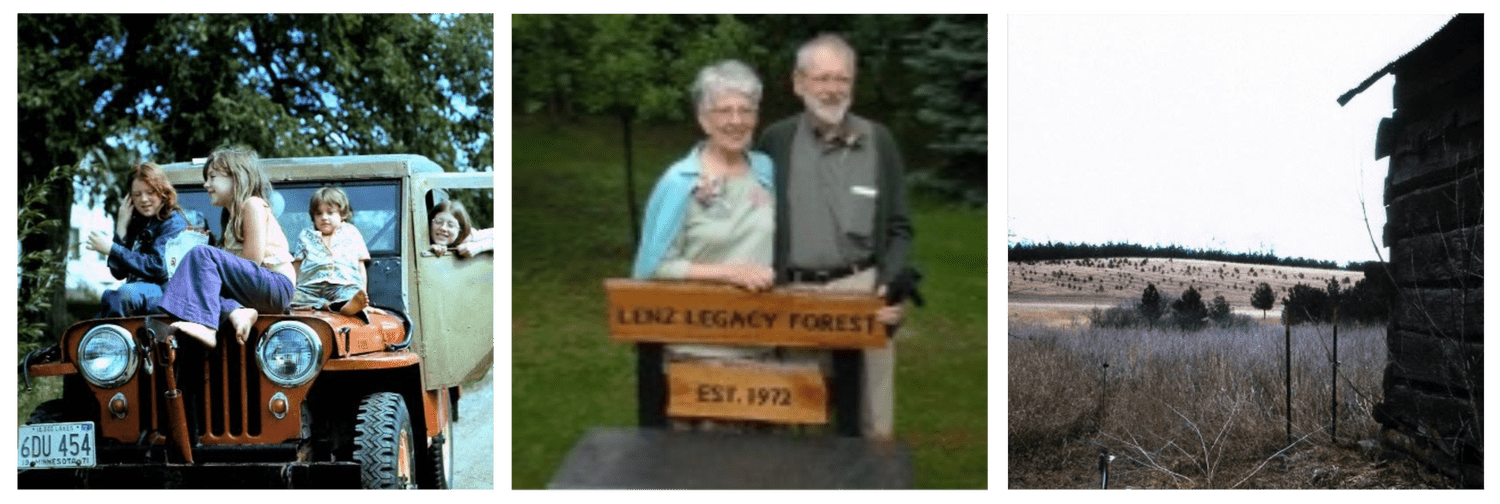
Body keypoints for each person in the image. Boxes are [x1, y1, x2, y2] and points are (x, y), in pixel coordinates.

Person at [754, 33, 915, 439]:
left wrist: (889, 285)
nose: (831, 89)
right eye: (822, 78)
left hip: (862, 293)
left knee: (871, 422)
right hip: (795, 296)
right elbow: (754, 216)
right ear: (799, 83)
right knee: (802, 414)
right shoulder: (777, 141)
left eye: (841, 79)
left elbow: (899, 227)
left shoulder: (879, 142)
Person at [632, 59, 777, 378]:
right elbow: (654, 267)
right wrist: (729, 274)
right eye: (724, 111)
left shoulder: (766, 172)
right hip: (695, 352)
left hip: (762, 347)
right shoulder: (679, 181)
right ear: (703, 119)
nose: (736, 121)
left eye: (746, 110)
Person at [157, 146, 296, 348]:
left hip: (276, 286)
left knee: (201, 256)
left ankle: (207, 327)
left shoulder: (253, 205)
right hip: (258, 289)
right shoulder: (230, 219)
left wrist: (212, 258)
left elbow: (252, 262)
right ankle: (236, 311)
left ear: (236, 178)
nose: (206, 185)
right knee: (193, 284)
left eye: (212, 177)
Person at [87, 162, 188, 317]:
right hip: (140, 292)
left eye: (150, 192)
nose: (144, 199)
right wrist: (121, 227)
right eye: (137, 194)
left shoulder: (174, 223)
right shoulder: (138, 222)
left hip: (166, 293)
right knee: (107, 302)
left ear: (163, 192)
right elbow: (118, 273)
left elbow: (158, 266)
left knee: (123, 295)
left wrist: (112, 249)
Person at [291, 186, 369, 316]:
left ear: (342, 214)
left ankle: (349, 305)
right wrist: (291, 287)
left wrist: (362, 294)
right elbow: (297, 266)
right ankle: (330, 306)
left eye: (330, 212)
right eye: (319, 213)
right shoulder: (306, 235)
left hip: (342, 284)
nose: (324, 217)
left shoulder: (351, 232)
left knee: (352, 294)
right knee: (289, 297)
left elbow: (360, 267)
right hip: (311, 287)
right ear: (313, 216)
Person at [428, 199, 494, 258]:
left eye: (451, 225)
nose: (443, 228)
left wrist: (478, 246)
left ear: (460, 230)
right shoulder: (421, 233)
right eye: (438, 221)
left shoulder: (469, 236)